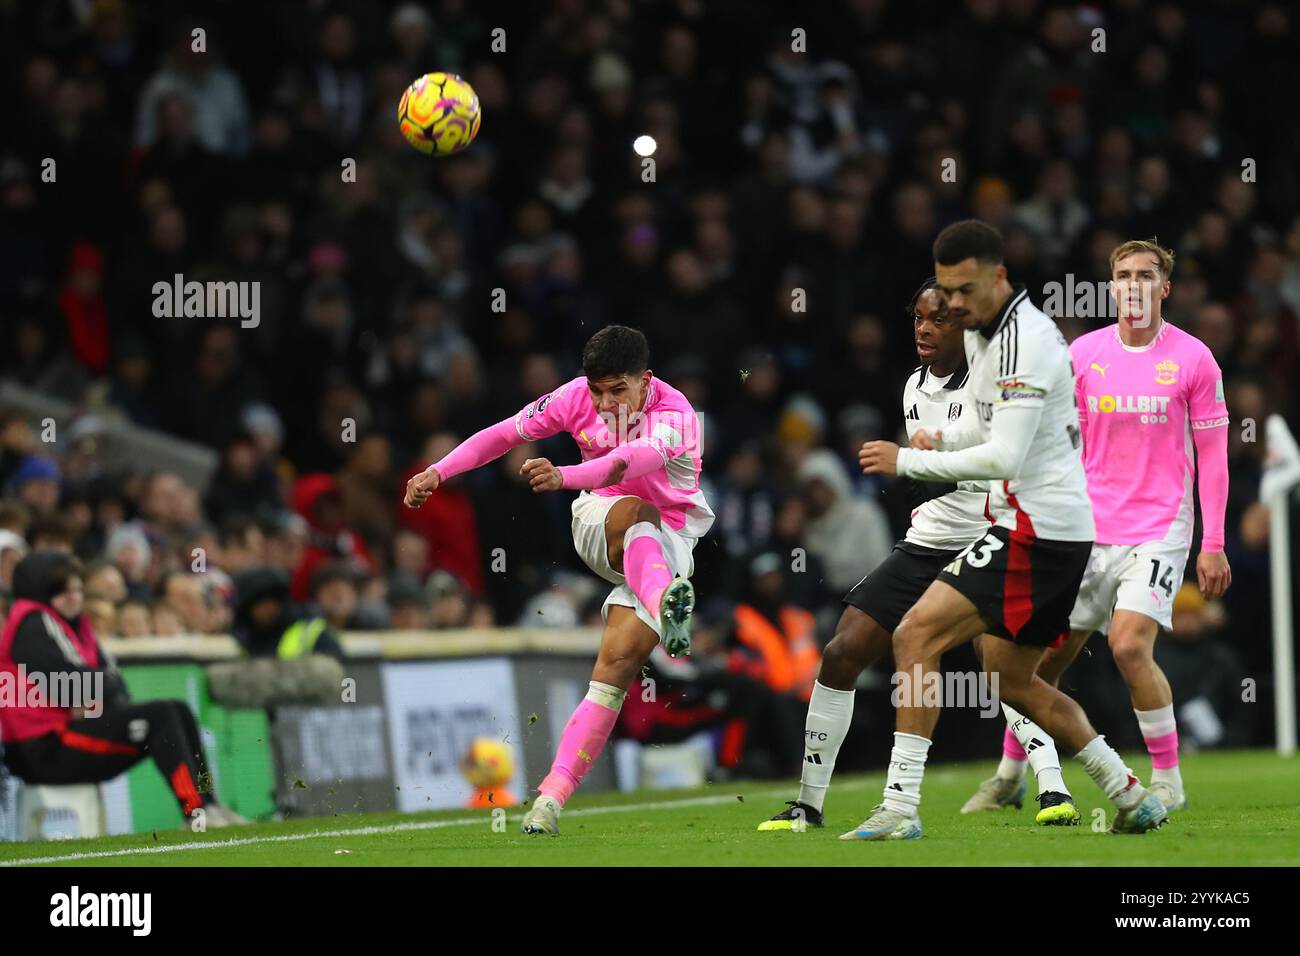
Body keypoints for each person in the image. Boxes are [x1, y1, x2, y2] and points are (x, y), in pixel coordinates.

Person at [855, 220, 1167, 839]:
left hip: (1037, 528)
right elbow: (985, 428)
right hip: (1043, 524)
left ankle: (899, 807)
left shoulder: (1027, 341)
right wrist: (940, 437)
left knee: (915, 634)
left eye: (965, 291)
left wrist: (910, 459)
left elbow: (1006, 456)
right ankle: (1129, 794)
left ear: (998, 277)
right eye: (947, 293)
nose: (954, 306)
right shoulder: (983, 331)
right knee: (1015, 682)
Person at [404, 324, 713, 835]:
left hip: (671, 543)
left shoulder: (677, 415)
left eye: (619, 390)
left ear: (646, 381)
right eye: (598, 391)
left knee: (614, 668)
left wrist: (563, 474)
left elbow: (626, 461)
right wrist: (440, 470)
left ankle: (548, 799)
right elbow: (503, 434)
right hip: (600, 518)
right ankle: (667, 605)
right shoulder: (573, 396)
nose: (607, 402)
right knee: (638, 512)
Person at [963, 238, 1231, 817]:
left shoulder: (1194, 360)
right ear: (1110, 286)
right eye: (1122, 276)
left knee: (1130, 645)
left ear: (1165, 288)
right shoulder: (1082, 355)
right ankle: (1010, 773)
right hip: (1084, 529)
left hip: (1159, 527)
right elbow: (1059, 443)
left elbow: (1213, 456)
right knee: (1037, 664)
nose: (1132, 286)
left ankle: (1168, 780)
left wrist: (1213, 543)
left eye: (1144, 276)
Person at [757, 278, 996, 831]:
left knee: (998, 667)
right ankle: (809, 804)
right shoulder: (913, 387)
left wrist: (916, 462)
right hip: (926, 541)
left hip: (987, 538)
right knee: (841, 650)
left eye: (937, 319)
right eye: (917, 318)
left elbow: (997, 465)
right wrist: (913, 469)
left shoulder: (994, 383)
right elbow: (927, 482)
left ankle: (1054, 785)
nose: (924, 329)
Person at [0, 550, 247, 826]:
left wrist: (100, 688)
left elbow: (108, 683)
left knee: (178, 710)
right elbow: (75, 688)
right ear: (40, 591)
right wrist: (101, 686)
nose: (74, 598)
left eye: (77, 589)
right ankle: (195, 812)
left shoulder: (73, 623)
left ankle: (208, 805)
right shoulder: (33, 622)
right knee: (161, 716)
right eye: (61, 591)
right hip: (42, 748)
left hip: (65, 735)